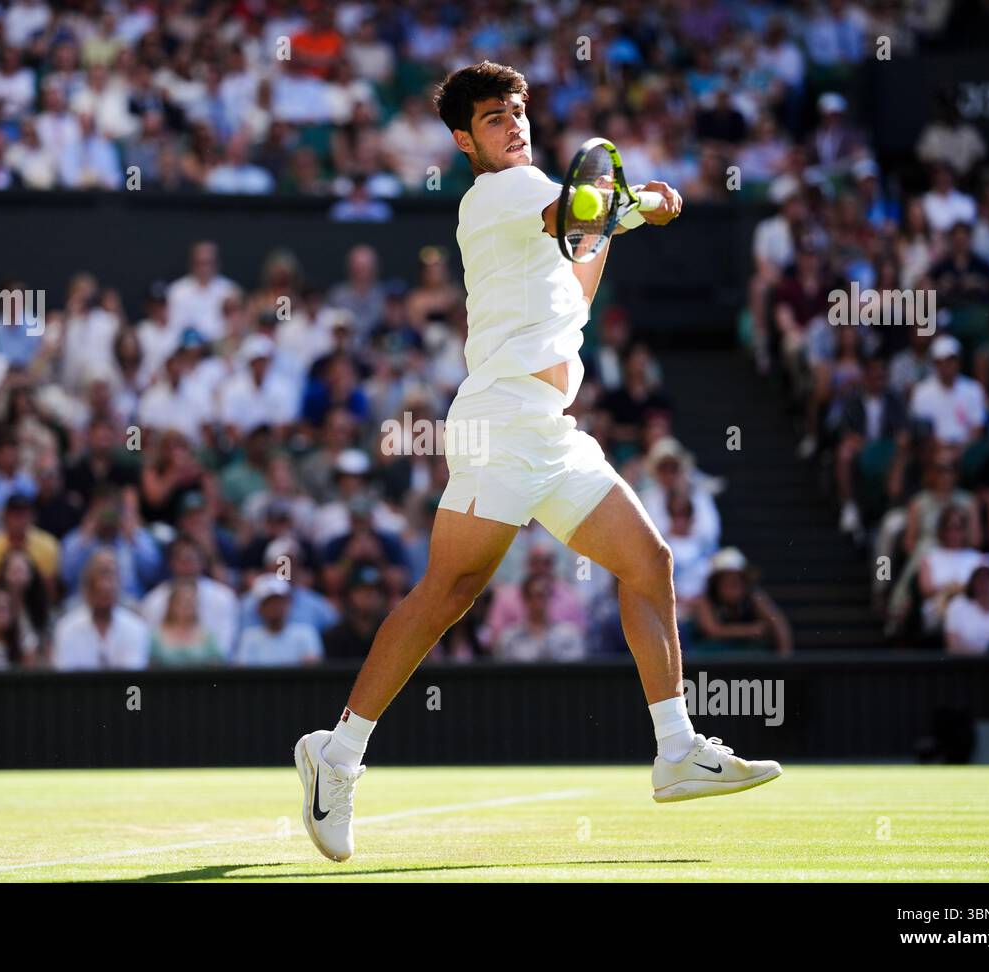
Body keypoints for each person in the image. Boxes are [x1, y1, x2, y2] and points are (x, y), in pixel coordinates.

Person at [294, 62, 779, 864]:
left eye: (516, 111)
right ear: (463, 139)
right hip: (499, 424)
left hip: (549, 432)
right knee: (447, 592)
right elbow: (591, 211)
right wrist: (654, 202)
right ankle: (336, 755)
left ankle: (675, 749)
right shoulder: (503, 194)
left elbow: (577, 289)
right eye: (492, 118)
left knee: (648, 562)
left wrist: (611, 227)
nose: (512, 125)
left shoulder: (540, 202)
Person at [234, 573, 323, 667]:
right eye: (269, 603)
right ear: (259, 609)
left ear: (289, 604)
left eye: (280, 602)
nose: (275, 607)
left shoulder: (306, 633)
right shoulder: (248, 637)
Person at [148, 580, 224, 667]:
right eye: (182, 602)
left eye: (191, 602)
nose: (187, 606)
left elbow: (218, 665)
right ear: (172, 604)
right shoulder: (155, 637)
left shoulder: (207, 637)